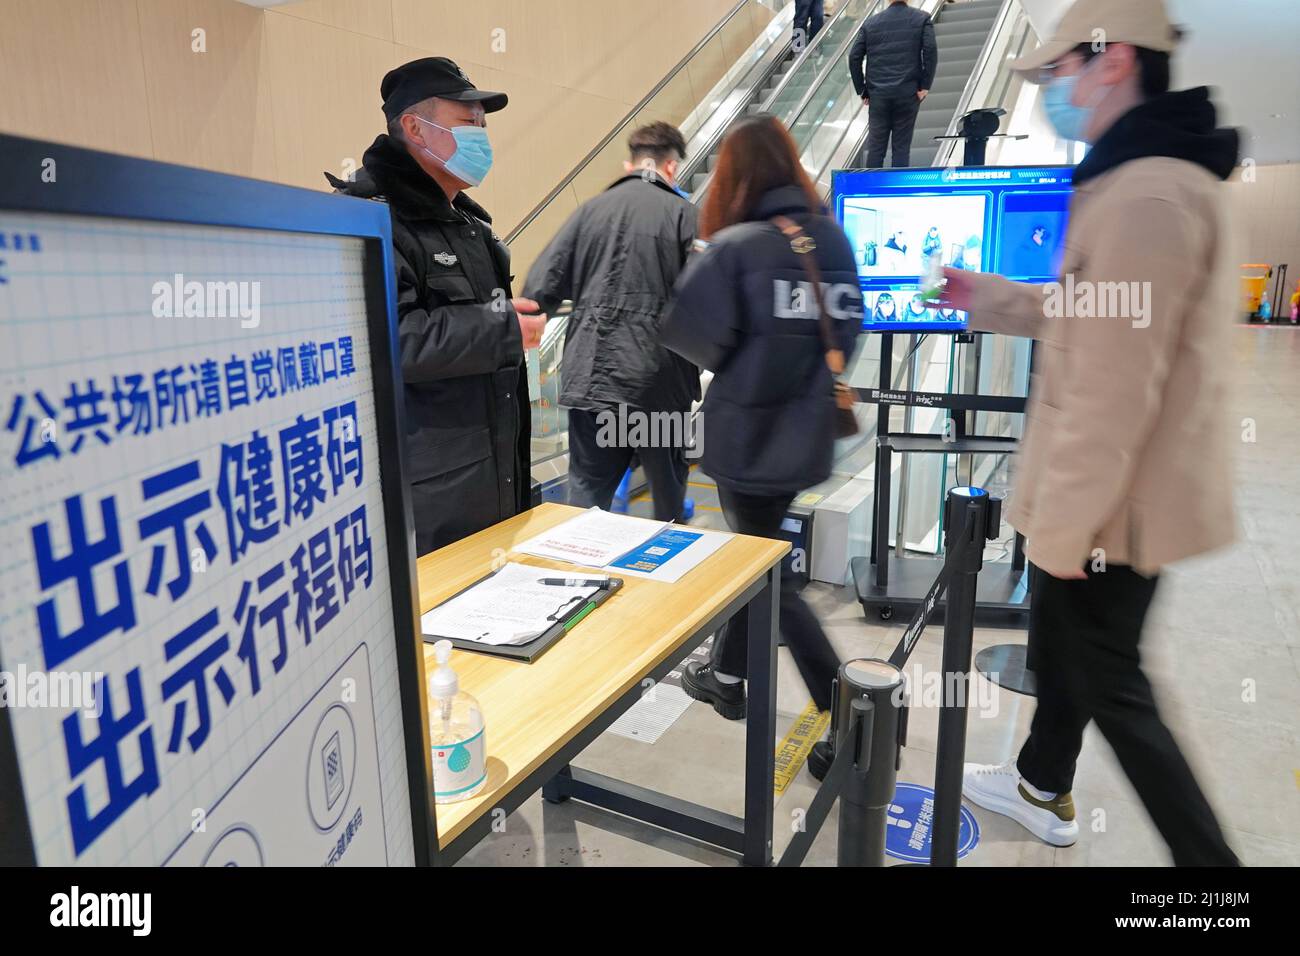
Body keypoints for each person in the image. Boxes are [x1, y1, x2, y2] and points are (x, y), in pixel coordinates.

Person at [933, 0, 1241, 866]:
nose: (1050, 92)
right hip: (1125, 499)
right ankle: (1041, 782)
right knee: (1070, 651)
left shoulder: (1147, 191)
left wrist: (1061, 527)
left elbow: (1113, 385)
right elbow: (1098, 315)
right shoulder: (1152, 173)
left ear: (1111, 62)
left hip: (1117, 509)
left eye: (1059, 71)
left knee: (1114, 684)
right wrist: (990, 298)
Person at [660, 114, 863, 723]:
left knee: (769, 574)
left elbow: (686, 333)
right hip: (807, 433)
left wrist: (746, 364)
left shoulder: (736, 247)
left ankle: (848, 707)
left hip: (746, 439)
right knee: (760, 552)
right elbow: (847, 333)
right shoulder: (833, 239)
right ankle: (725, 675)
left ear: (734, 175)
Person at [327, 57, 544, 555]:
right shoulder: (370, 220)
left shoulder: (467, 223)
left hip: (492, 482)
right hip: (425, 503)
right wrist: (501, 328)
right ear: (413, 128)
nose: (481, 136)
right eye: (468, 122)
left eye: (483, 125)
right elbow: (387, 340)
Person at [524, 123, 699, 521]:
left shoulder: (588, 212)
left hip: (593, 379)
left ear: (630, 164)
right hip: (661, 386)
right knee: (668, 498)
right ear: (670, 167)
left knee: (588, 494)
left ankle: (587, 576)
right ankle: (664, 576)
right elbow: (705, 299)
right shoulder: (685, 216)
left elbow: (540, 288)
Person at [849, 0, 938, 168]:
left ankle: (870, 190)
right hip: (908, 92)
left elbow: (854, 57)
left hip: (878, 95)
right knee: (901, 149)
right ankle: (897, 191)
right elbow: (930, 51)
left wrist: (862, 90)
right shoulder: (922, 18)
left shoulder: (870, 23)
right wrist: (925, 86)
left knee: (876, 148)